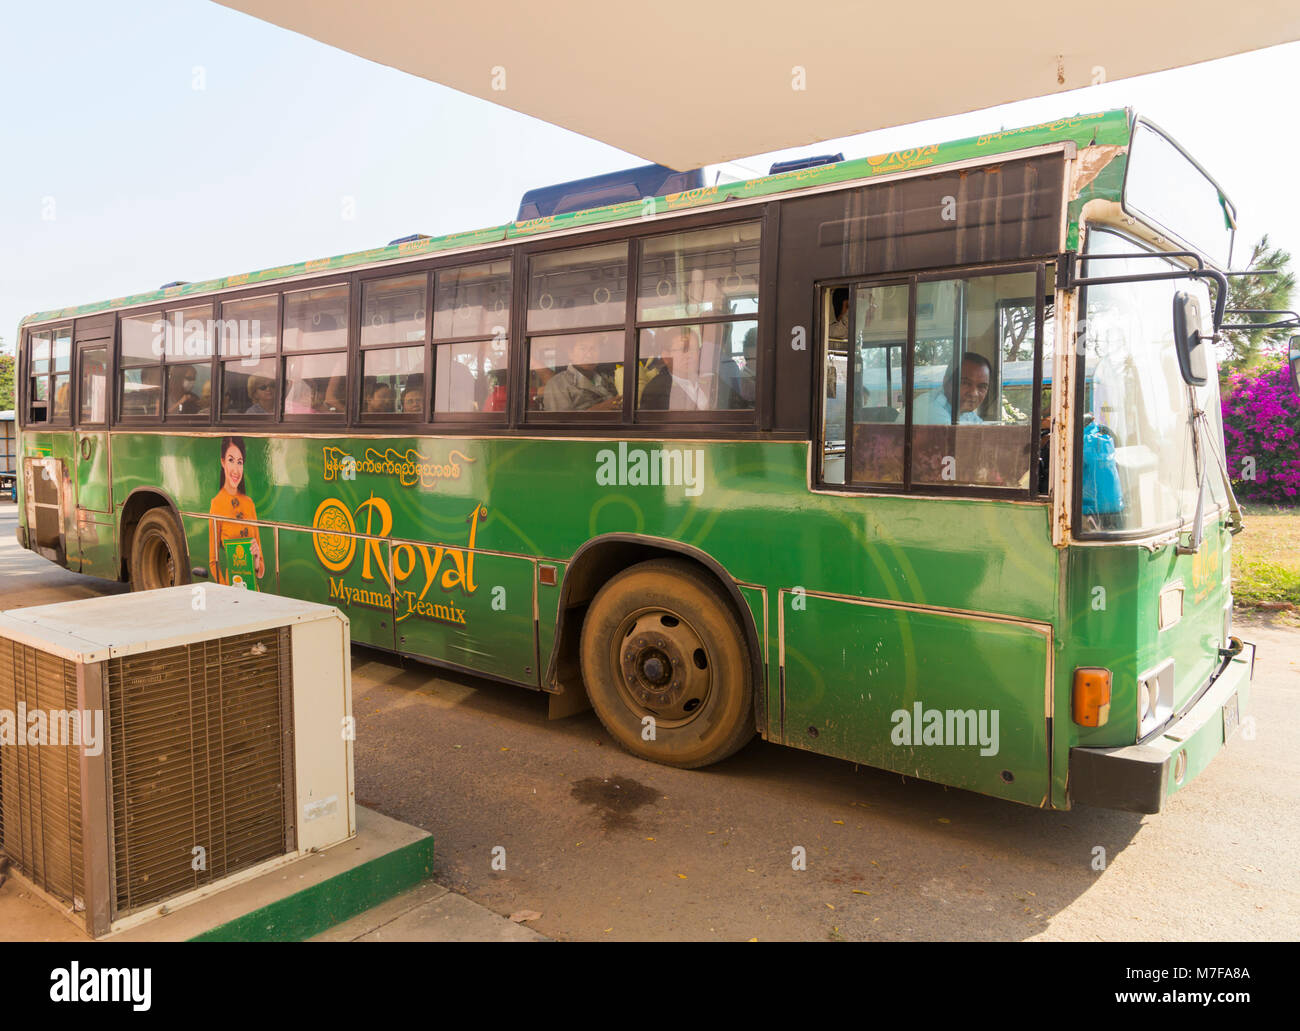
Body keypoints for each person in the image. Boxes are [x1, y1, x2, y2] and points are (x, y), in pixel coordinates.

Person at [208, 436, 264, 586]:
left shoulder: (249, 504)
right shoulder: (217, 504)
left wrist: (257, 559)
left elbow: (260, 568)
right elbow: (213, 562)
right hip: (231, 590)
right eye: (231, 460)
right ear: (222, 462)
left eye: (240, 462)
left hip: (253, 592)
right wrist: (226, 589)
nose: (236, 469)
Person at [543, 334, 621, 412]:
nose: (589, 354)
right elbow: (558, 421)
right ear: (570, 353)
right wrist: (596, 410)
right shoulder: (557, 384)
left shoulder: (607, 379)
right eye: (583, 349)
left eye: (594, 349)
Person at [641, 327, 710, 411]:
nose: (689, 355)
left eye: (693, 349)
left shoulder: (712, 379)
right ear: (666, 356)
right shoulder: (656, 391)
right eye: (683, 350)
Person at [912, 352, 992, 425]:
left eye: (982, 387)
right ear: (946, 381)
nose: (974, 393)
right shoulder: (930, 409)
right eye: (965, 383)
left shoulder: (964, 411)